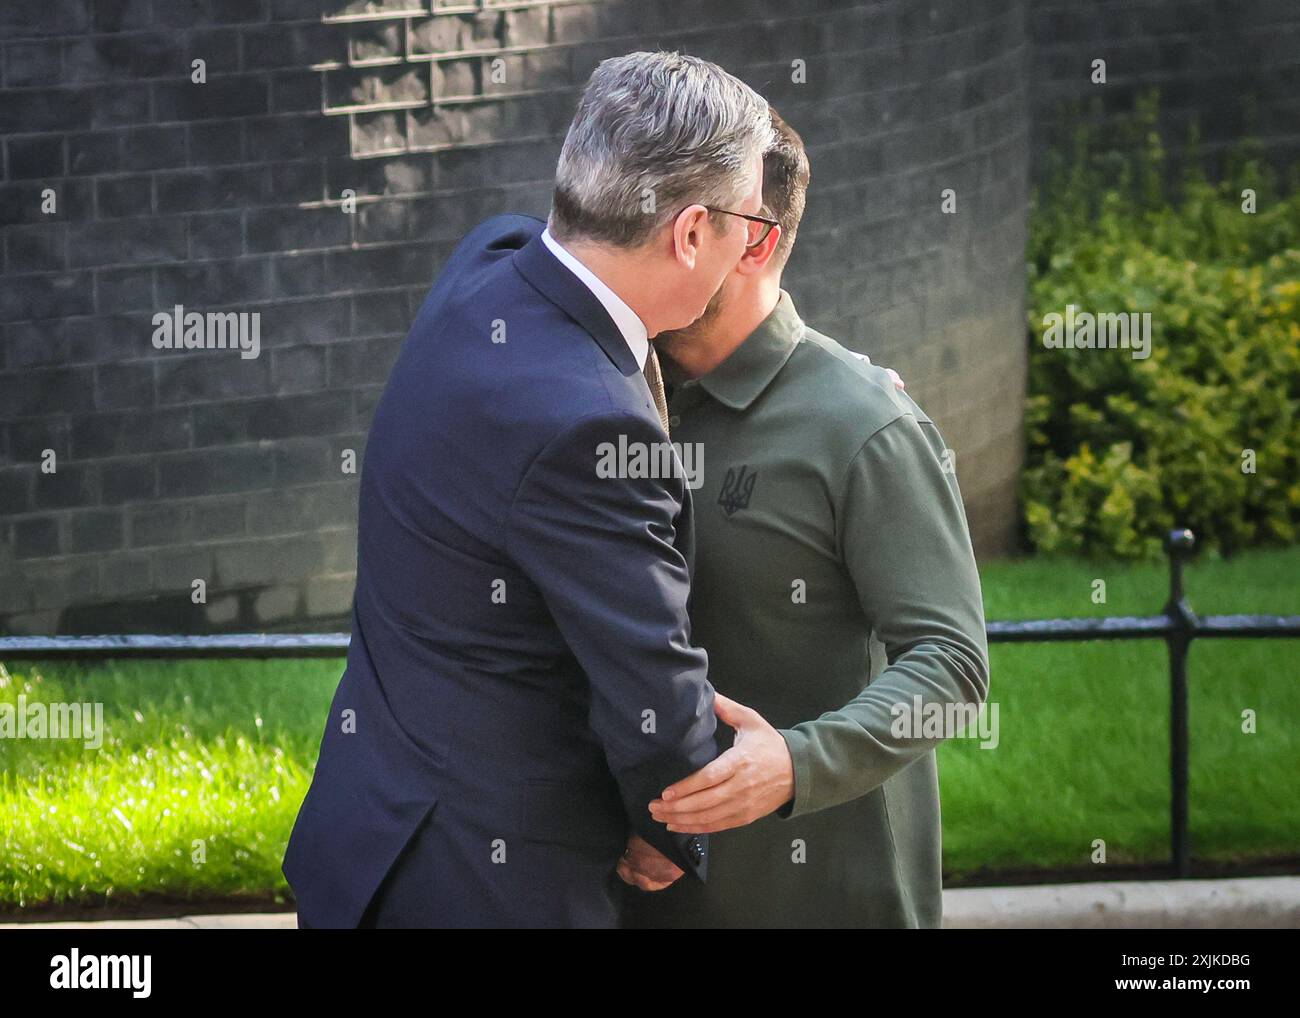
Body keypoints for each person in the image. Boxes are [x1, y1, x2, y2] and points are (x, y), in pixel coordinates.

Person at [282, 51, 775, 928]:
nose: (756, 242)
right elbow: (652, 690)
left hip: (369, 832)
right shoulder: (595, 431)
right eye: (749, 219)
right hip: (484, 886)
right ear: (693, 232)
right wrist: (676, 816)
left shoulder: (492, 260)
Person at [619, 108, 991, 928]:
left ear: (750, 241)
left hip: (828, 897)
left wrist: (791, 763)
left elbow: (953, 665)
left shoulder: (864, 426)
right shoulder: (613, 394)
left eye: (680, 221)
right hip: (645, 896)